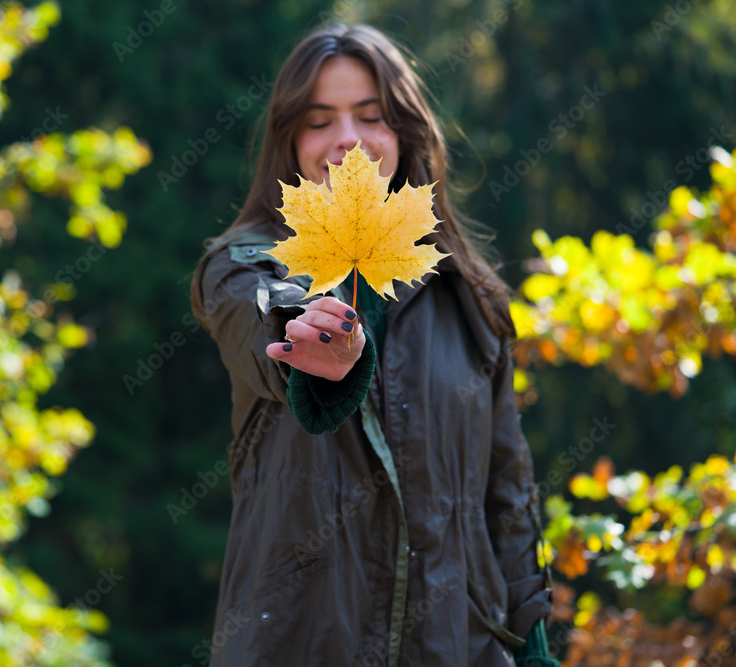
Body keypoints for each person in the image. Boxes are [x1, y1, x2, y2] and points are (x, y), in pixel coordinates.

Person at [190, 22, 557, 667]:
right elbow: (263, 318)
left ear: (406, 133)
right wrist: (310, 345)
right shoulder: (245, 266)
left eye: (371, 116)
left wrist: (534, 644)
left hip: (456, 650)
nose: (348, 141)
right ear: (290, 141)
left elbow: (508, 494)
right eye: (319, 120)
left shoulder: (467, 300)